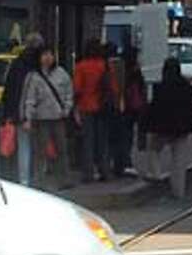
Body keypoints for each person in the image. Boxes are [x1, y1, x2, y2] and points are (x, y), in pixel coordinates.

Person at [142, 57, 192, 200]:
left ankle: (156, 177)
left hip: (162, 128)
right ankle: (178, 191)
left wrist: (147, 125)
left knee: (153, 150)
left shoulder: (160, 87)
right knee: (179, 161)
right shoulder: (187, 87)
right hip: (182, 128)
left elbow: (153, 108)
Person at [20, 45, 73, 192]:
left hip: (58, 118)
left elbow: (69, 93)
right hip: (41, 119)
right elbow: (29, 98)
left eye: (50, 54)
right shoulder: (34, 76)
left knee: (62, 149)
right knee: (40, 151)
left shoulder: (62, 74)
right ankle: (39, 181)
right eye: (44, 55)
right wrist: (28, 118)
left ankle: (64, 179)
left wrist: (66, 109)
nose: (48, 58)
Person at [1, 32, 43, 185]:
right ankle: (38, 177)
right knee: (39, 145)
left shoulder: (17, 64)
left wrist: (9, 113)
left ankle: (24, 179)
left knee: (23, 146)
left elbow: (9, 90)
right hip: (42, 112)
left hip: (19, 112)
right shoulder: (41, 65)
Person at [73, 40, 118, 183]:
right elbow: (113, 87)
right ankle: (104, 170)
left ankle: (88, 173)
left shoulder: (81, 66)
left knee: (88, 140)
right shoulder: (105, 65)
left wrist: (75, 106)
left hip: (86, 106)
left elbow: (77, 88)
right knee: (102, 140)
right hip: (103, 107)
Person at [116, 48, 147, 176]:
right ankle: (126, 163)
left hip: (122, 106)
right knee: (127, 137)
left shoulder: (121, 71)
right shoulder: (135, 72)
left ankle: (119, 163)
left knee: (122, 136)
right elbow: (141, 90)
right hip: (132, 108)